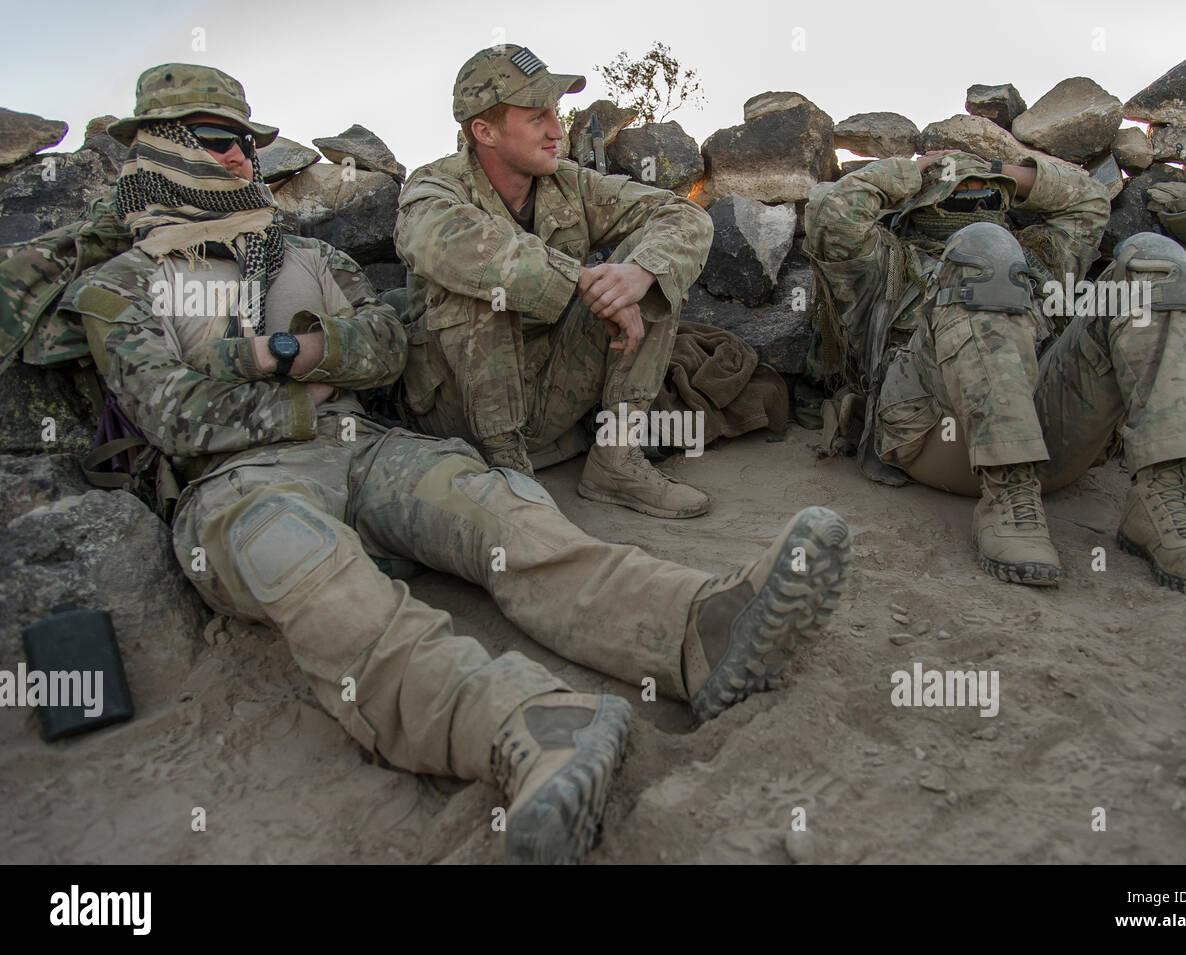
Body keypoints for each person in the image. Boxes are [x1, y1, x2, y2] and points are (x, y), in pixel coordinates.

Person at [65, 63, 852, 864]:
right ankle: (523, 727)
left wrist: (264, 354)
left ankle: (695, 628)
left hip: (358, 448)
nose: (243, 158)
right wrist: (312, 376)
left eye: (249, 142)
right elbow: (174, 415)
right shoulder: (121, 286)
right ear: (163, 148)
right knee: (321, 577)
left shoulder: (304, 257)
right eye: (219, 142)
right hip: (235, 485)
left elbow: (379, 348)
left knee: (497, 512)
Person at [804, 149, 1186, 598]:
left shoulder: (1042, 260)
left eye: (985, 190)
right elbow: (829, 213)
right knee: (985, 249)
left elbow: (1090, 201)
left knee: (1158, 261)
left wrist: (999, 170)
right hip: (934, 436)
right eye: (958, 186)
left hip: (1050, 441)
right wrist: (919, 167)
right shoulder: (880, 264)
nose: (974, 194)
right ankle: (1006, 493)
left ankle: (1162, 499)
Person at [393, 44, 714, 519]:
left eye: (556, 113)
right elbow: (440, 240)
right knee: (482, 280)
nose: (555, 130)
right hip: (457, 414)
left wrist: (640, 272)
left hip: (545, 394)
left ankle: (616, 459)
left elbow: (682, 215)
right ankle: (508, 476)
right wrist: (578, 280)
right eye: (537, 116)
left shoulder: (568, 183)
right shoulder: (436, 186)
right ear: (484, 130)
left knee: (650, 270)